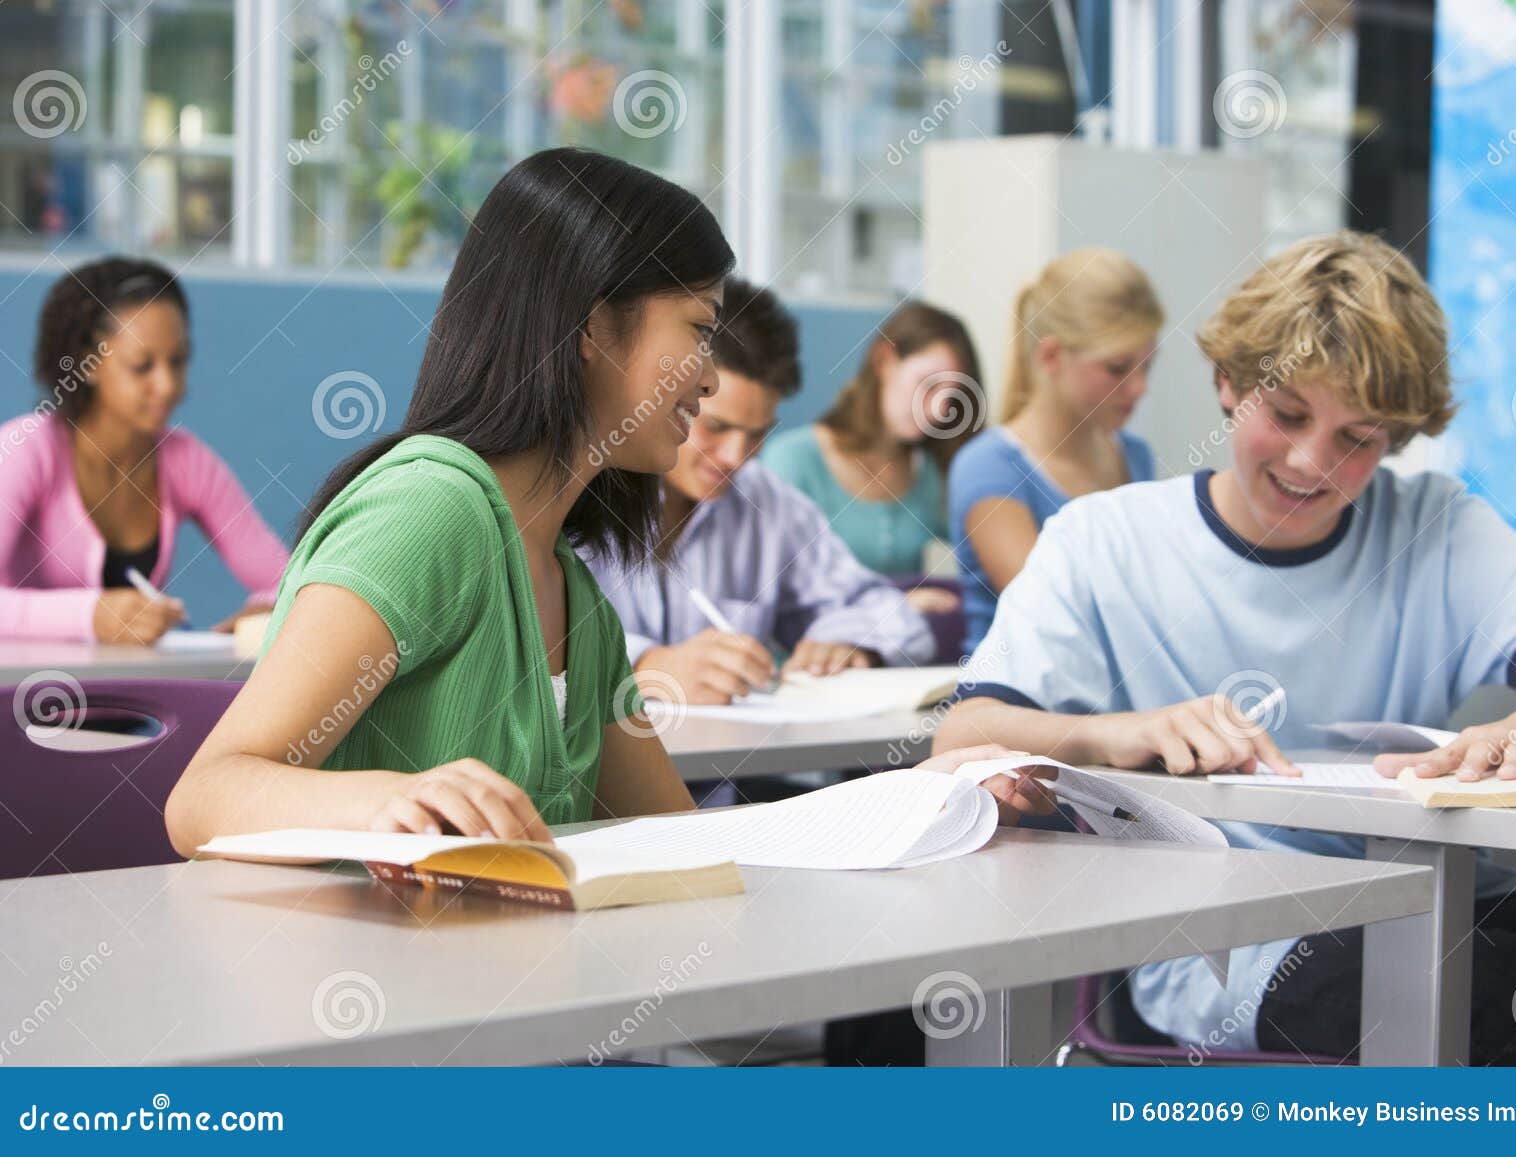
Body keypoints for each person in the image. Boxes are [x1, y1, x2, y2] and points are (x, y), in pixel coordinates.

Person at [165, 151, 1048, 859]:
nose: (708, 374)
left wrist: (927, 795)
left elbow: (690, 844)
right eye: (699, 329)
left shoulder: (571, 593)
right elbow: (203, 796)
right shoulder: (428, 511)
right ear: (593, 326)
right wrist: (389, 800)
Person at [935, 230, 1516, 1064]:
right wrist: (1113, 731)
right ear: (1227, 383)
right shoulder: (1103, 540)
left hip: (1430, 895)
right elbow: (962, 736)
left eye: (1359, 438)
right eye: (1285, 414)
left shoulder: (1433, 525)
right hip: (1226, 948)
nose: (1310, 462)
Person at [584, 277, 936, 708]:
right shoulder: (580, 494)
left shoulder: (768, 506)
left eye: (756, 435)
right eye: (715, 426)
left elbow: (887, 609)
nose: (735, 456)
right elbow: (529, 652)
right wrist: (646, 666)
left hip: (727, 774)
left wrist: (849, 641)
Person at [0, 257, 288, 643]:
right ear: (87, 365)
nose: (168, 385)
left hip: (126, 698)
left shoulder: (188, 462)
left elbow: (289, 582)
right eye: (142, 366)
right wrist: (91, 615)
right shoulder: (26, 449)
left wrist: (264, 615)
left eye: (178, 361)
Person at [948, 248, 1163, 654]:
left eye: (1147, 367)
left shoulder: (1134, 456)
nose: (1139, 389)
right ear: (1051, 356)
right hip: (1014, 708)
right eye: (1117, 368)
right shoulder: (988, 469)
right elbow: (1051, 613)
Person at [763, 301, 982, 614]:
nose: (939, 410)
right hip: (808, 658)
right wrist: (890, 608)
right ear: (884, 362)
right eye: (928, 385)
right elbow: (777, 598)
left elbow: (983, 550)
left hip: (895, 658)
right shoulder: (792, 461)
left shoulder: (929, 473)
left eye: (952, 395)